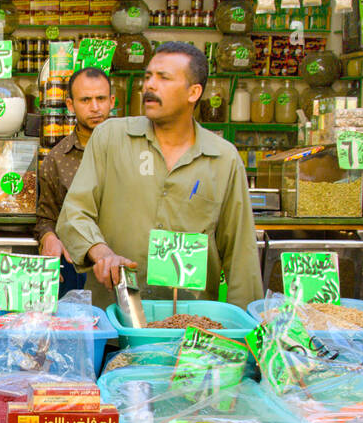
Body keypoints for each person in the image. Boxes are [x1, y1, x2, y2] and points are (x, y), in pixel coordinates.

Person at [55, 41, 263, 309]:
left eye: (163, 78)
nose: (149, 86)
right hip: (114, 318)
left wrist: (244, 336)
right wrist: (101, 252)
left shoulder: (223, 158)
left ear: (193, 92)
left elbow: (241, 256)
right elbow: (74, 213)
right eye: (148, 77)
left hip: (189, 327)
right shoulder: (110, 137)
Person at [35, 67, 115, 292]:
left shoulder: (133, 150)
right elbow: (46, 217)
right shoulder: (57, 158)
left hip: (122, 260)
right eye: (85, 100)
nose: (95, 107)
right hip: (77, 267)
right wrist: (48, 237)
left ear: (112, 100)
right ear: (70, 105)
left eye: (100, 98)